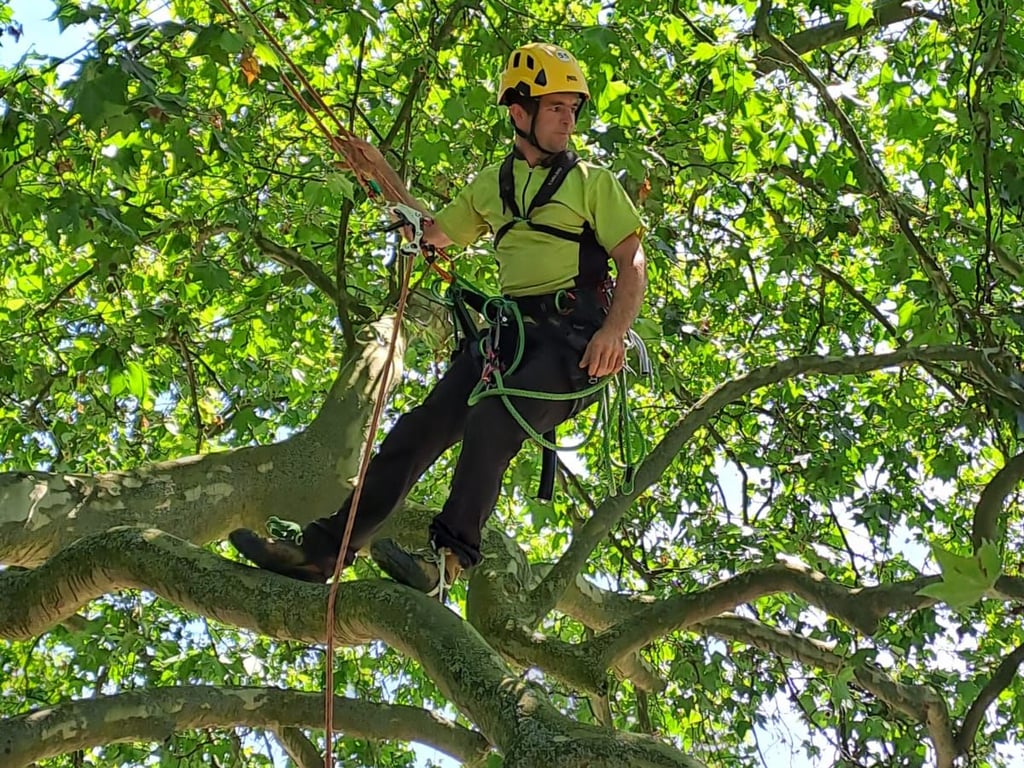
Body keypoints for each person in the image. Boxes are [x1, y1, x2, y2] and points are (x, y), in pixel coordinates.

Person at [230, 42, 646, 597]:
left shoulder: (592, 182)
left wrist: (614, 331)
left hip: (573, 345)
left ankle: (447, 561)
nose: (568, 119)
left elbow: (632, 260)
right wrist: (378, 172)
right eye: (556, 108)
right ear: (519, 113)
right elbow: (429, 236)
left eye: (573, 108)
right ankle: (323, 550)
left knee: (493, 419)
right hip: (512, 337)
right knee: (419, 428)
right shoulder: (491, 186)